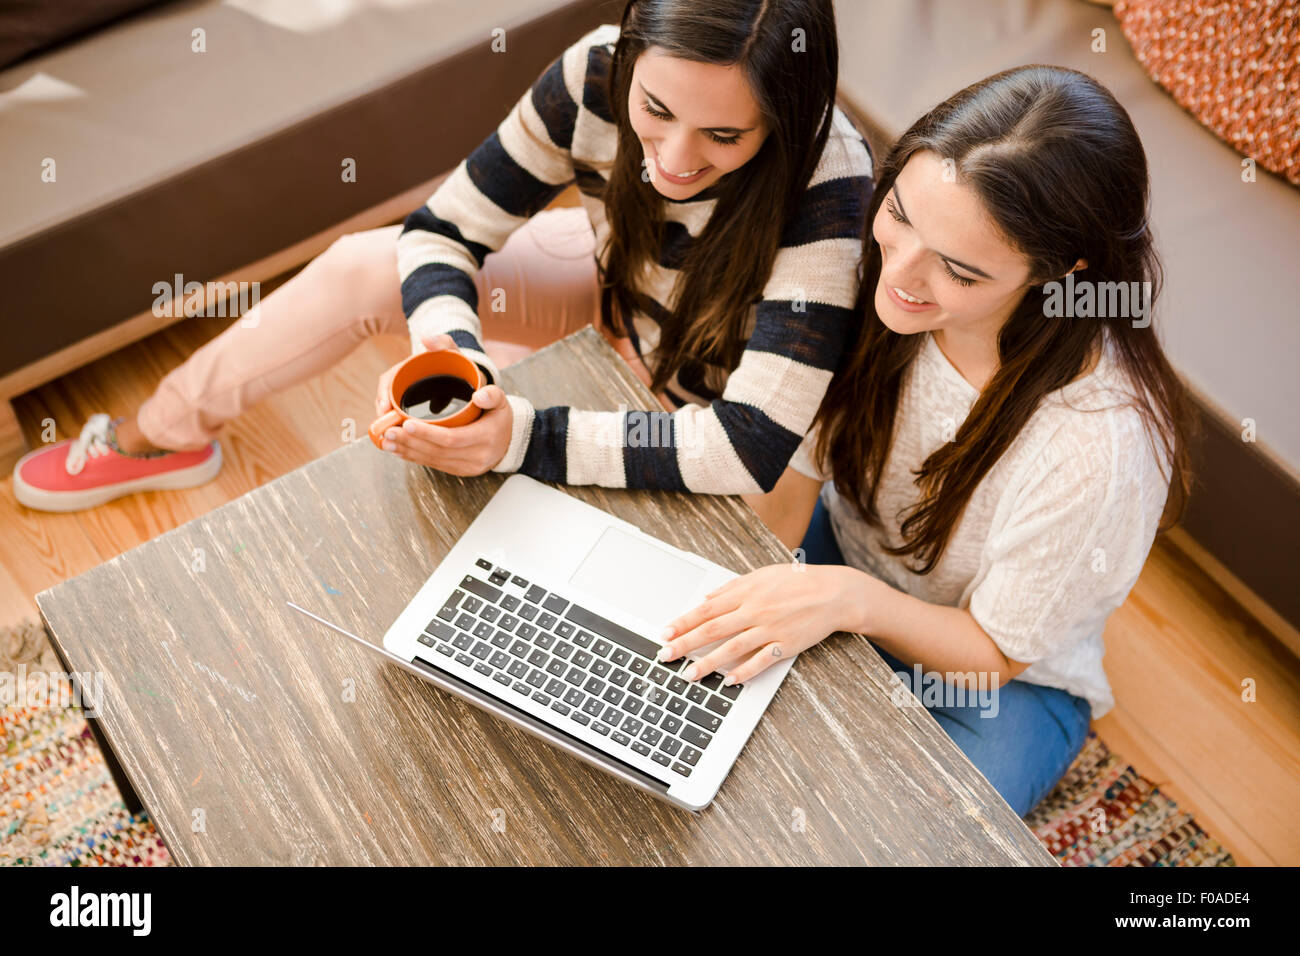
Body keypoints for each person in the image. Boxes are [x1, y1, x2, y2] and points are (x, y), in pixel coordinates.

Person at [14, 0, 872, 511]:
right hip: (623, 296)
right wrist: (455, 355)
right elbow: (441, 231)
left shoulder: (829, 188)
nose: (675, 160)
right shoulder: (592, 77)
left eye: (724, 135)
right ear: (631, 54)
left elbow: (747, 443)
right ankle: (159, 436)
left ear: (784, 119)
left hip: (728, 413)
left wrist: (521, 436)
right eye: (655, 110)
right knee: (364, 263)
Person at [657, 65, 1194, 817]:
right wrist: (755, 582)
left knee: (887, 837)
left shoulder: (1098, 447)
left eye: (960, 269)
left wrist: (847, 601)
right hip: (840, 555)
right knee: (687, 714)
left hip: (996, 681)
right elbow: (794, 478)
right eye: (901, 215)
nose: (898, 275)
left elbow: (995, 655)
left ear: (1061, 270)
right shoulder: (867, 273)